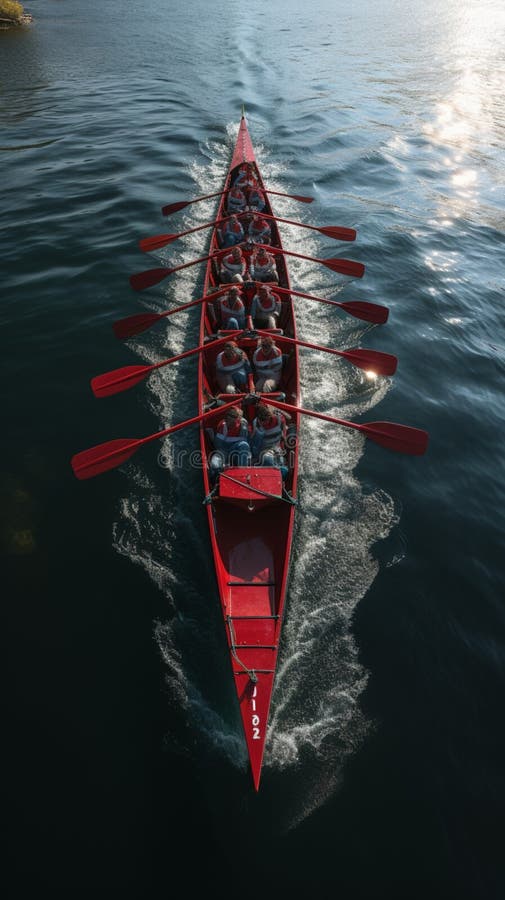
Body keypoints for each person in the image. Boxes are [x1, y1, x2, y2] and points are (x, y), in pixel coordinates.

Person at [209, 406, 251, 479]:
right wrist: (225, 464)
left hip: (237, 452)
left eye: (231, 420)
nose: (228, 422)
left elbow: (248, 441)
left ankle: (243, 474)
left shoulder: (243, 426)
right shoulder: (222, 426)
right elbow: (217, 445)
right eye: (227, 419)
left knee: (244, 445)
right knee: (214, 464)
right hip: (224, 451)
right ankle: (215, 481)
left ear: (236, 420)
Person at [250, 401, 288, 478]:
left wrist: (284, 442)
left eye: (265, 420)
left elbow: (288, 418)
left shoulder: (279, 419)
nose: (263, 423)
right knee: (267, 459)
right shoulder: (256, 423)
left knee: (283, 469)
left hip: (277, 447)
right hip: (264, 449)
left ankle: (279, 476)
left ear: (269, 417)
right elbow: (253, 441)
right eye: (261, 420)